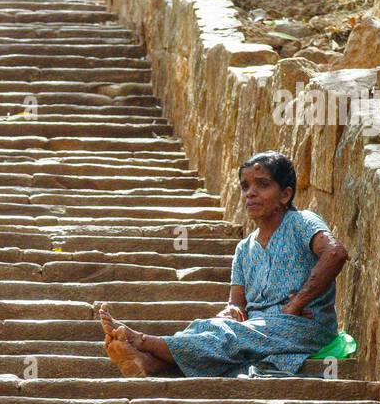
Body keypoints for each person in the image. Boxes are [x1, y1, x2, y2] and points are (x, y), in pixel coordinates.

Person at [98, 150, 349, 378]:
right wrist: (231, 312)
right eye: (245, 186)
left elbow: (335, 253)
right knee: (205, 327)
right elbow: (237, 304)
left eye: (262, 185)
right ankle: (148, 364)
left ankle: (141, 341)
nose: (251, 193)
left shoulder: (301, 222)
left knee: (230, 337)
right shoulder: (243, 249)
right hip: (256, 331)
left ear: (285, 194)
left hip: (303, 327)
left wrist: (297, 303)